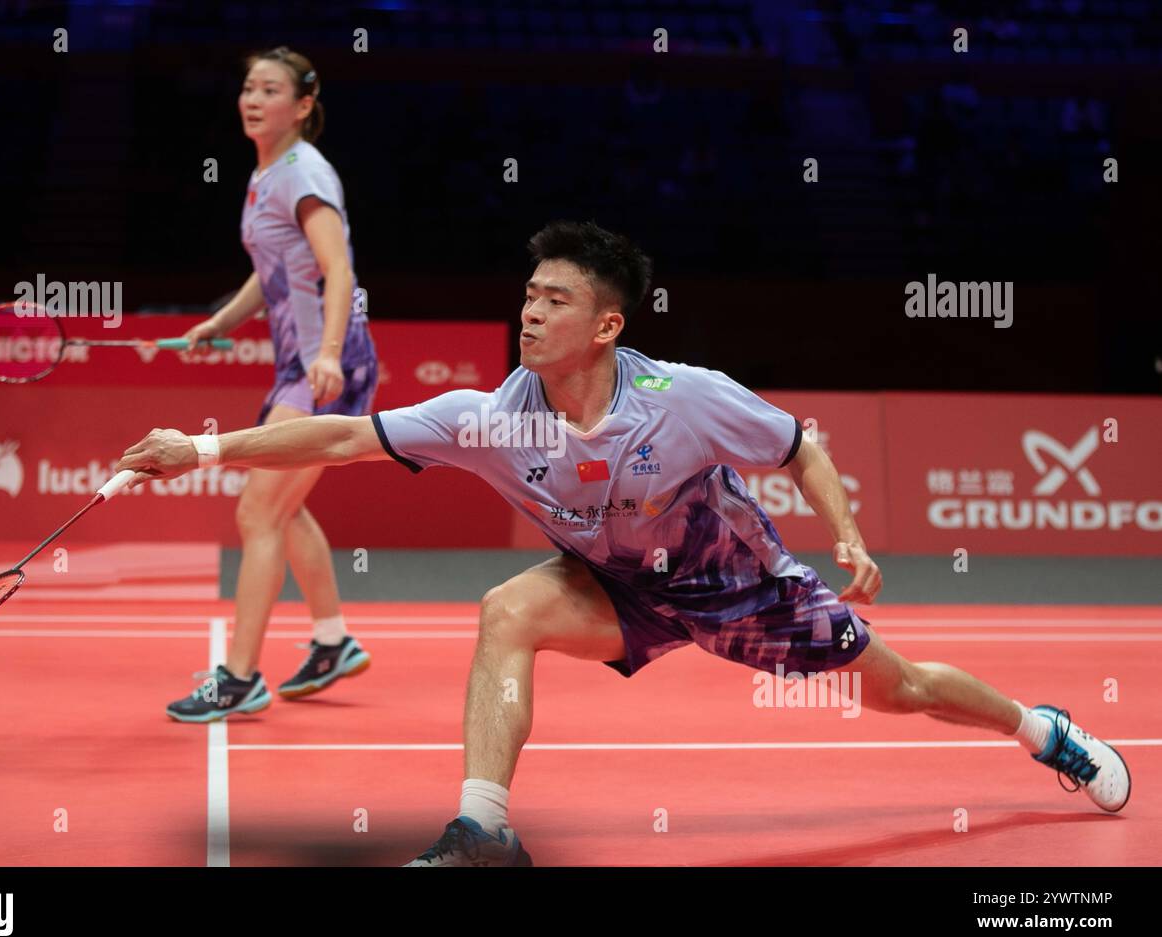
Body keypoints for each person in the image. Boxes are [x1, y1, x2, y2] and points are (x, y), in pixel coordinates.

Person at [121, 220, 1130, 862]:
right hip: (614, 587)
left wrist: (851, 533)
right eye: (527, 295)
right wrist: (204, 443)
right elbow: (345, 436)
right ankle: (485, 827)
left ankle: (1041, 730)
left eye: (554, 300)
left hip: (741, 585)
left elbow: (799, 446)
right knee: (504, 611)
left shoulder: (683, 398)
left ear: (604, 325)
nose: (530, 311)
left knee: (901, 687)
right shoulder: (491, 415)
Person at [166, 47, 376, 723]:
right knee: (282, 508)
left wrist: (329, 355)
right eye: (248, 88)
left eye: (270, 90)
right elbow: (276, 270)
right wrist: (219, 322)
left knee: (258, 511)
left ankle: (239, 677)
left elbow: (335, 270)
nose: (253, 99)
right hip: (297, 365)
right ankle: (332, 641)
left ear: (304, 106)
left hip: (325, 365)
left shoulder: (305, 172)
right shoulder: (266, 176)